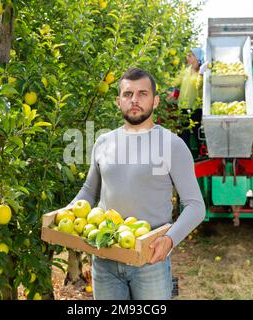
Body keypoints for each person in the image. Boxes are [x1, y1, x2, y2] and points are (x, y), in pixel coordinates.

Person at [69, 67, 206, 300]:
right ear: (118, 101)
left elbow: (195, 205)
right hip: (104, 258)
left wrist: (170, 239)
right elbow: (89, 192)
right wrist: (64, 215)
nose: (134, 100)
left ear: (155, 101)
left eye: (142, 93)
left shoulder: (171, 145)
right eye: (127, 94)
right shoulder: (103, 142)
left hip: (149, 261)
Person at [171, 48, 205, 151]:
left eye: (190, 56)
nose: (187, 58)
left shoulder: (200, 72)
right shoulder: (185, 70)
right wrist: (165, 82)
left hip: (195, 107)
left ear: (197, 58)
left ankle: (201, 153)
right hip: (183, 106)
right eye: (187, 55)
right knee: (184, 133)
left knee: (196, 131)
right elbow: (176, 81)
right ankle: (186, 155)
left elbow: (199, 86)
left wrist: (201, 74)